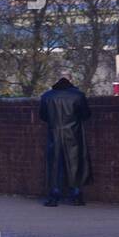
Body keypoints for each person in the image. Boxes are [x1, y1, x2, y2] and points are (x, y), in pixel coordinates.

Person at [39, 74, 91, 207]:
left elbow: (43, 116)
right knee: (75, 165)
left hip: (54, 134)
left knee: (54, 165)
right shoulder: (78, 95)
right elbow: (85, 114)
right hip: (73, 134)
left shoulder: (47, 96)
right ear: (70, 80)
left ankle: (53, 195)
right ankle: (76, 195)